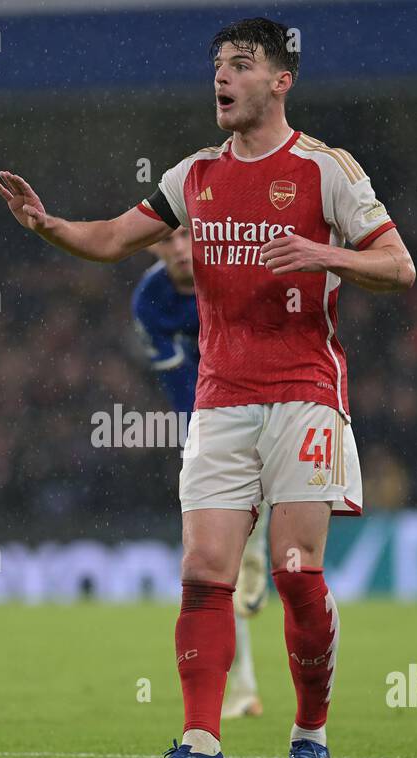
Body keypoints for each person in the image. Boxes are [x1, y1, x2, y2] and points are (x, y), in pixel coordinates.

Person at [0, 16, 415, 758]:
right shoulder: (193, 177)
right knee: (204, 570)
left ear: (281, 81)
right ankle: (201, 748)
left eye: (241, 64)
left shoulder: (326, 170)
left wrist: (321, 252)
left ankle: (310, 739)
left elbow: (399, 266)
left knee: (293, 571)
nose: (222, 77)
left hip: (304, 393)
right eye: (217, 64)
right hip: (220, 400)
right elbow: (113, 238)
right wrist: (47, 225)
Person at [131, 223, 266, 720]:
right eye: (167, 240)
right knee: (212, 565)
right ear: (153, 246)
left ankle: (259, 547)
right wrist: (202, 438)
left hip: (266, 392)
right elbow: (179, 382)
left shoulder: (229, 271)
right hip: (209, 409)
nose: (180, 249)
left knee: (254, 545)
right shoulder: (151, 300)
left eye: (187, 236)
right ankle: (243, 690)